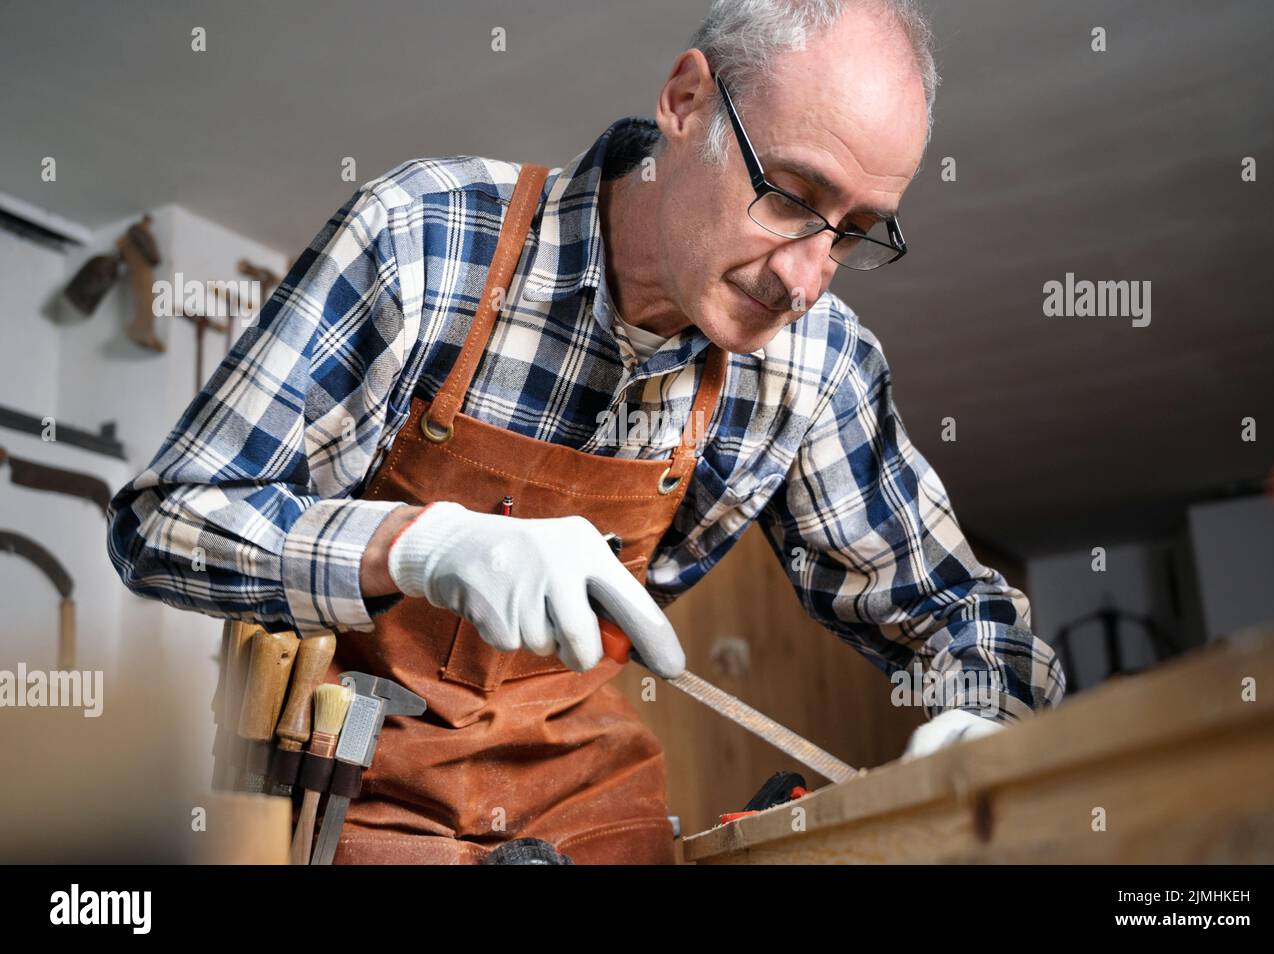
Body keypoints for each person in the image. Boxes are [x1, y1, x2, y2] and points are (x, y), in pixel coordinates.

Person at [108, 0, 1065, 864]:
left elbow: (959, 611)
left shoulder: (816, 365)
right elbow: (164, 525)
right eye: (792, 194)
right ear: (686, 101)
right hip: (334, 796)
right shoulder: (425, 236)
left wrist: (987, 720)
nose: (806, 277)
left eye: (855, 232)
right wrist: (419, 543)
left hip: (583, 808)